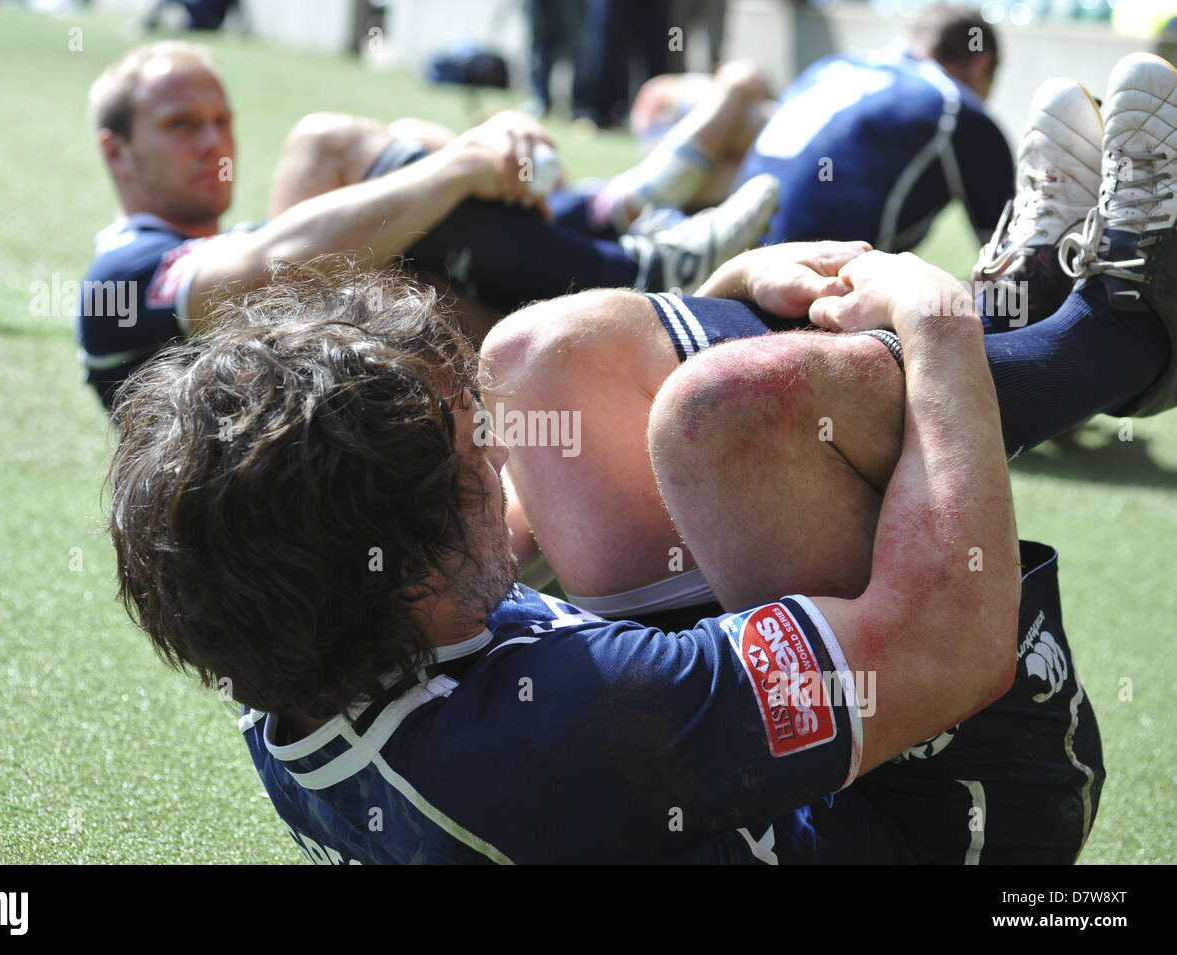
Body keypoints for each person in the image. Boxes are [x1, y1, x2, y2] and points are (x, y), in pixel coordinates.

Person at [105, 52, 1175, 864]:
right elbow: (946, 645)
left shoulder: (307, 638)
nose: (496, 445)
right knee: (732, 418)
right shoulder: (564, 730)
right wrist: (933, 316)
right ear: (416, 562)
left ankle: (1023, 314)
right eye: (472, 448)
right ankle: (1120, 334)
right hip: (949, 816)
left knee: (543, 355)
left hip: (669, 752)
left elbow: (515, 512)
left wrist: (736, 294)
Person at [77, 41, 779, 410]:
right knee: (339, 168)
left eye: (220, 121)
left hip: (395, 415)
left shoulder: (233, 237)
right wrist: (458, 167)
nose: (211, 142)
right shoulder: (123, 273)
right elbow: (272, 272)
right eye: (179, 126)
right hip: (300, 482)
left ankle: (624, 222)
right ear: (116, 152)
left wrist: (474, 152)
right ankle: (631, 252)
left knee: (386, 178)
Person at [589, 5, 1013, 253]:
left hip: (725, 261)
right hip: (805, 301)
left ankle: (634, 201)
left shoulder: (833, 65)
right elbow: (1010, 264)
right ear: (980, 67)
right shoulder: (958, 108)